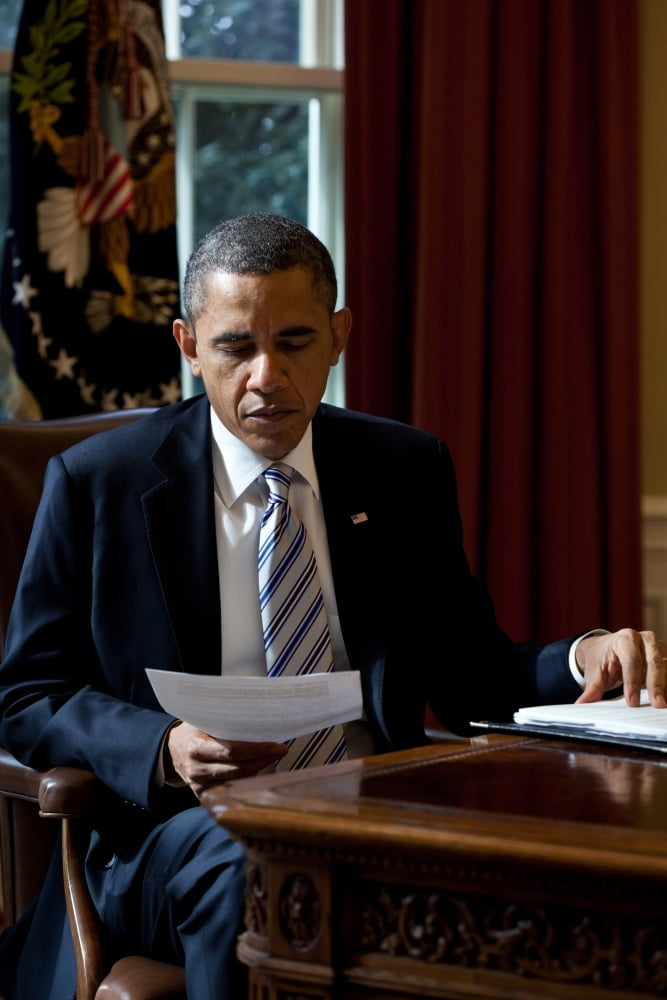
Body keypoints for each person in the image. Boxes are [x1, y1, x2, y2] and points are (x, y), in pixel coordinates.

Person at [0, 212, 664, 1000]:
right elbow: (27, 695)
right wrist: (161, 746)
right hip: (172, 835)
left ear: (339, 335)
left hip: (370, 814)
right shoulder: (98, 482)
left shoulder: (402, 468)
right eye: (235, 347)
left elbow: (472, 678)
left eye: (294, 341)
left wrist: (583, 655)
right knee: (258, 868)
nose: (266, 375)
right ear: (187, 345)